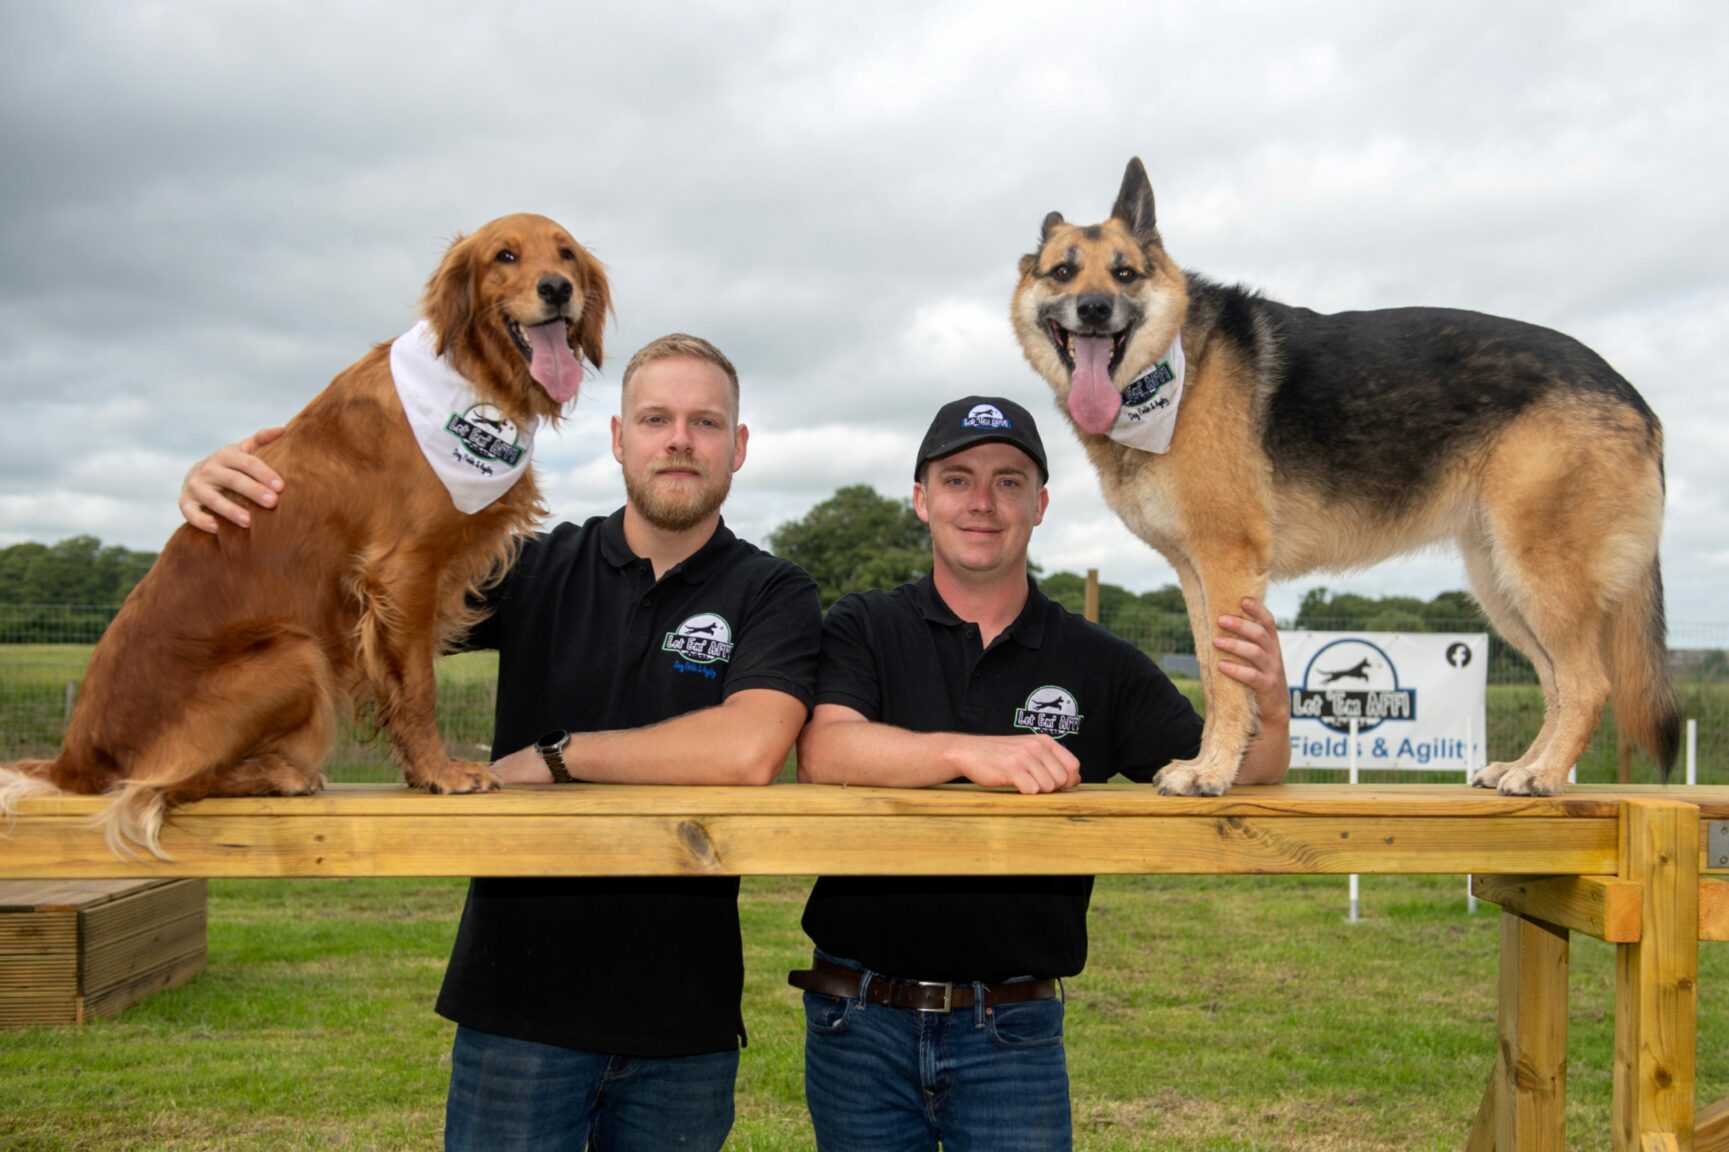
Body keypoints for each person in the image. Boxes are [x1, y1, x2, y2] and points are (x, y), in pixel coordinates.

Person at [181, 334, 821, 1152]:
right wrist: (236, 497)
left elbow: (748, 750)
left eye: (704, 422)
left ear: (737, 447)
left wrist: (559, 757)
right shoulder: (528, 564)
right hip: (515, 1013)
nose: (679, 440)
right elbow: (349, 587)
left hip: (682, 1026)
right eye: (655, 418)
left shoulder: (773, 591)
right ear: (619, 439)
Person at [790, 395, 1291, 1151]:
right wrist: (969, 752)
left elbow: (1240, 772)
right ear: (921, 501)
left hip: (1012, 1028)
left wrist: (1272, 711)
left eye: (1009, 481)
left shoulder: (1096, 660)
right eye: (956, 480)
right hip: (856, 1016)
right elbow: (824, 751)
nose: (982, 503)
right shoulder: (865, 625)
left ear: (1041, 503)